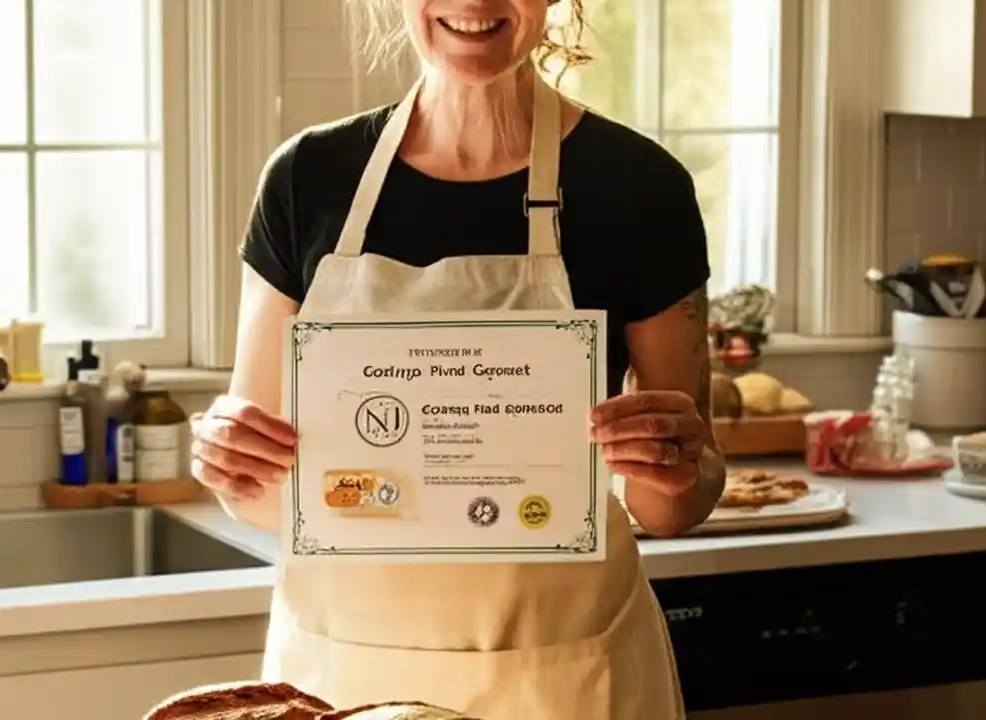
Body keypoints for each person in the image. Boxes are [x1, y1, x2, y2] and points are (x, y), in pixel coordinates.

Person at [189, 0, 727, 717]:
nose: (474, 4)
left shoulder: (640, 188)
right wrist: (231, 457)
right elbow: (259, 493)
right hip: (343, 680)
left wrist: (673, 463)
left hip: (562, 676)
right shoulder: (306, 179)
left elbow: (677, 504)